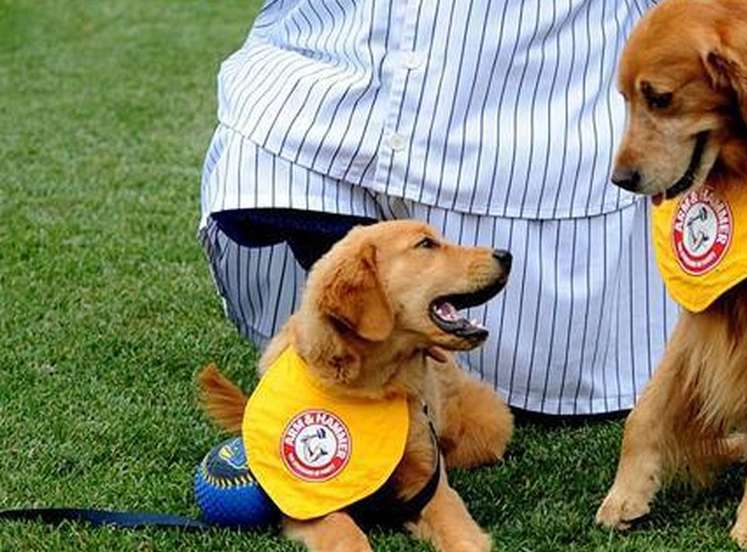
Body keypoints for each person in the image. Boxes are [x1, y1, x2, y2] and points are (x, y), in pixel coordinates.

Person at [199, 0, 676, 416]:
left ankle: (403, 365)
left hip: (530, 91)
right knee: (278, 146)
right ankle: (359, 347)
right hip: (343, 51)